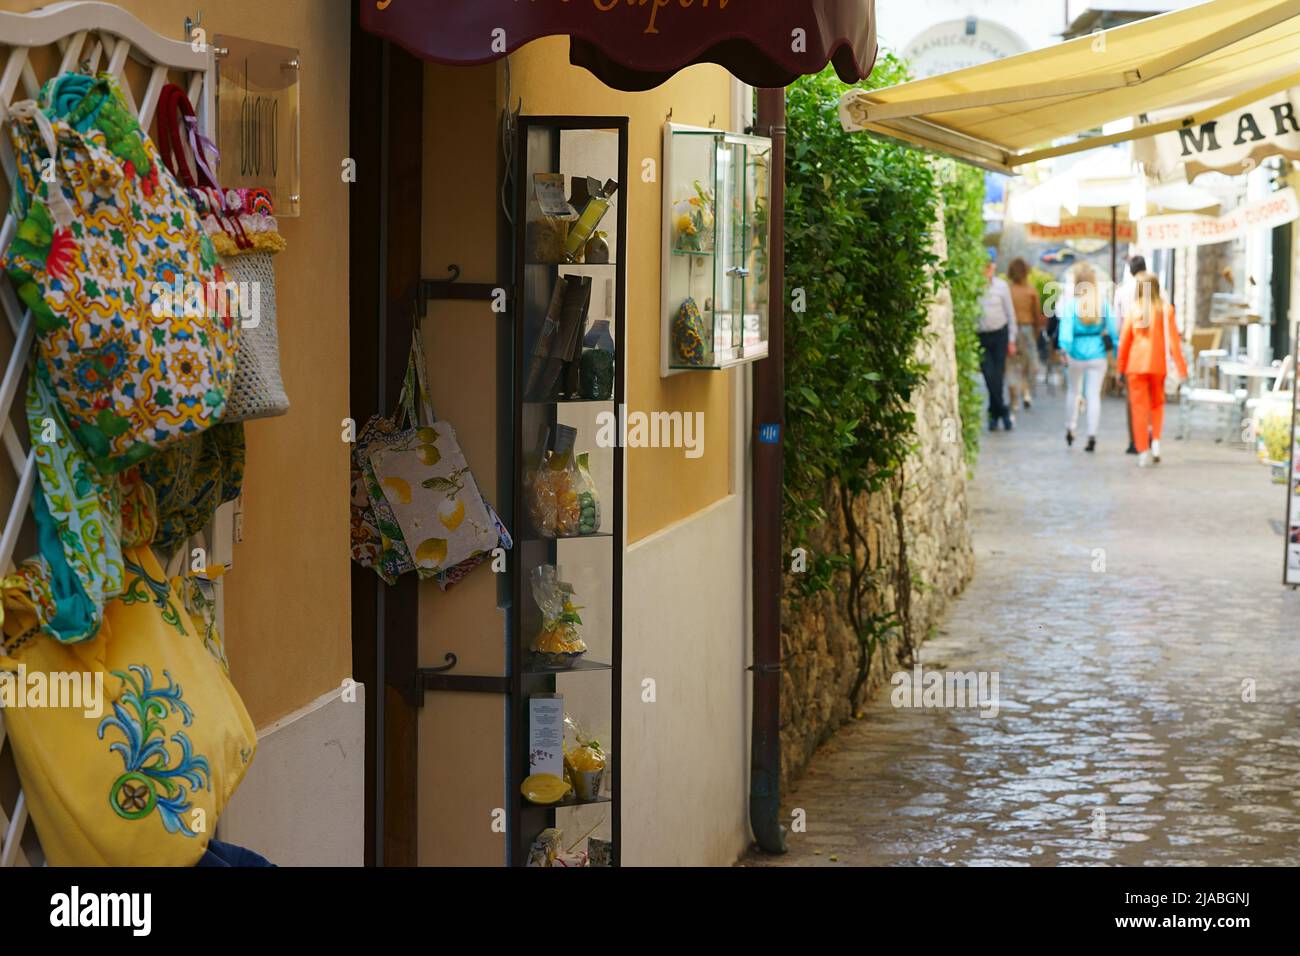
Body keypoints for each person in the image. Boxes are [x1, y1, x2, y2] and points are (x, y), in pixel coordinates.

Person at [1118, 270, 1188, 467]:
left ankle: (1142, 450)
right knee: (1157, 404)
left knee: (1139, 409)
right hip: (1158, 364)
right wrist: (1181, 369)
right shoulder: (1166, 310)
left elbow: (1125, 341)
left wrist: (1120, 367)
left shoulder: (1134, 310)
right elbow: (1174, 342)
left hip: (1136, 365)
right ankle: (1155, 441)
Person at [1058, 262, 1118, 452]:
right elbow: (1115, 332)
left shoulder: (1071, 306)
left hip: (1076, 354)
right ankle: (1092, 434)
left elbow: (1065, 333)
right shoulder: (1102, 305)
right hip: (1097, 354)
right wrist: (1117, 355)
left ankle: (1070, 427)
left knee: (1073, 392)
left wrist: (1064, 351)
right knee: (1093, 395)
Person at [978, 255, 1017, 431]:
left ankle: (994, 416)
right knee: (988, 375)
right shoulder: (975, 286)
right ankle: (1004, 411)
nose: (987, 269)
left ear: (994, 267)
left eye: (990, 265)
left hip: (1000, 335)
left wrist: (1011, 339)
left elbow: (1010, 314)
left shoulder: (1002, 286)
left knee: (998, 375)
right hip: (981, 336)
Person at [1113, 255, 1146, 455]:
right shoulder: (1156, 289)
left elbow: (1118, 327)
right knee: (1149, 395)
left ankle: (1134, 440)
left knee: (1132, 397)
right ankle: (1148, 435)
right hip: (1150, 347)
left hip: (1130, 347)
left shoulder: (1122, 292)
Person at [1006, 257, 1042, 412]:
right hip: (1027, 330)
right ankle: (1026, 391)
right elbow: (1036, 315)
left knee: (1011, 365)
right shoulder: (1031, 291)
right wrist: (1036, 333)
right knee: (1029, 365)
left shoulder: (1007, 290)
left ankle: (1014, 397)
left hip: (1010, 331)